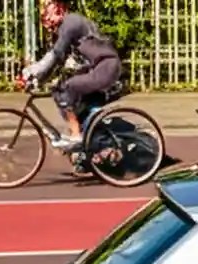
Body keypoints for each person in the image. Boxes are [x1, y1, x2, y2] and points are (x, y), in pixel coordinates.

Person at [19, 0, 122, 153]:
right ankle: (85, 154)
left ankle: (76, 135)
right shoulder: (65, 27)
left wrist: (31, 72)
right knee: (62, 95)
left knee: (67, 88)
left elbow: (55, 55)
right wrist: (37, 80)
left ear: (59, 8)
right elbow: (57, 62)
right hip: (100, 69)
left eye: (48, 10)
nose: (44, 16)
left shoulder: (71, 23)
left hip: (105, 68)